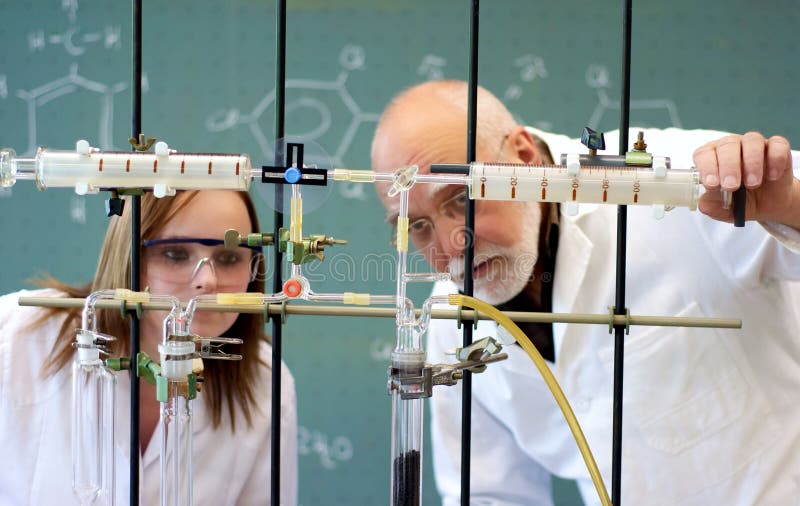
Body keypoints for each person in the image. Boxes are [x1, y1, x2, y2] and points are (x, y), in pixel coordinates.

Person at [371, 80, 800, 505]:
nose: (451, 249)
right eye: (416, 225)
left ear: (521, 155)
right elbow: (491, 494)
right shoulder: (452, 314)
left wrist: (789, 204)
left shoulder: (679, 183)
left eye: (462, 199)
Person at [0, 190, 298, 505]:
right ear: (128, 256)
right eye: (175, 254)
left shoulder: (267, 383)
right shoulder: (14, 337)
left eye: (229, 257)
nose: (207, 281)